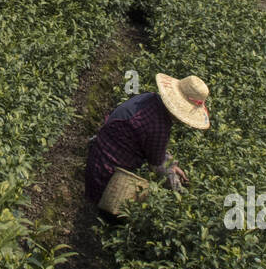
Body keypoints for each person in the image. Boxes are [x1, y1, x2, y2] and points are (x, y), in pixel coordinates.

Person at [85, 73, 210, 205]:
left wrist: (171, 164)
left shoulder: (149, 98)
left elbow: (153, 148)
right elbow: (157, 165)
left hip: (96, 157)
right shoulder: (159, 125)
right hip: (107, 181)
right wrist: (180, 193)